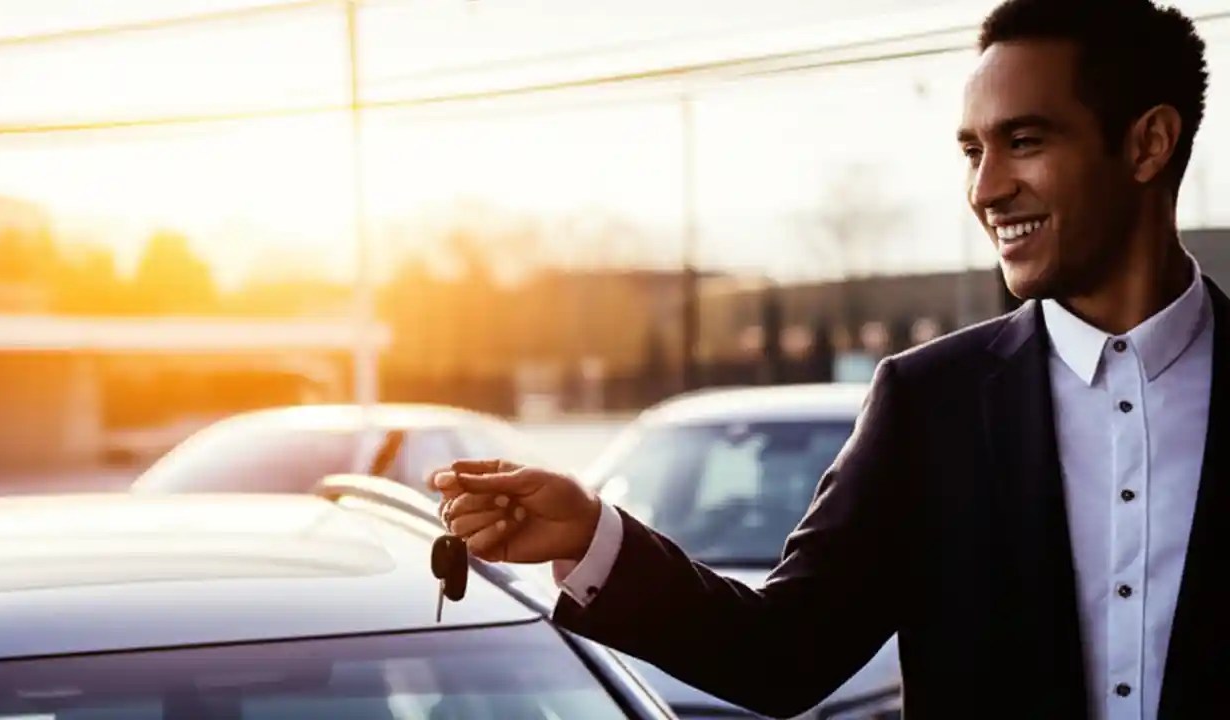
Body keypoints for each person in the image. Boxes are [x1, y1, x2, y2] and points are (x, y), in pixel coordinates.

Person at [434, 1, 1223, 717]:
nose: (986, 188)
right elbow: (784, 656)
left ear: (1147, 143)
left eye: (1023, 141)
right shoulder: (929, 404)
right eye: (971, 151)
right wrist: (591, 537)